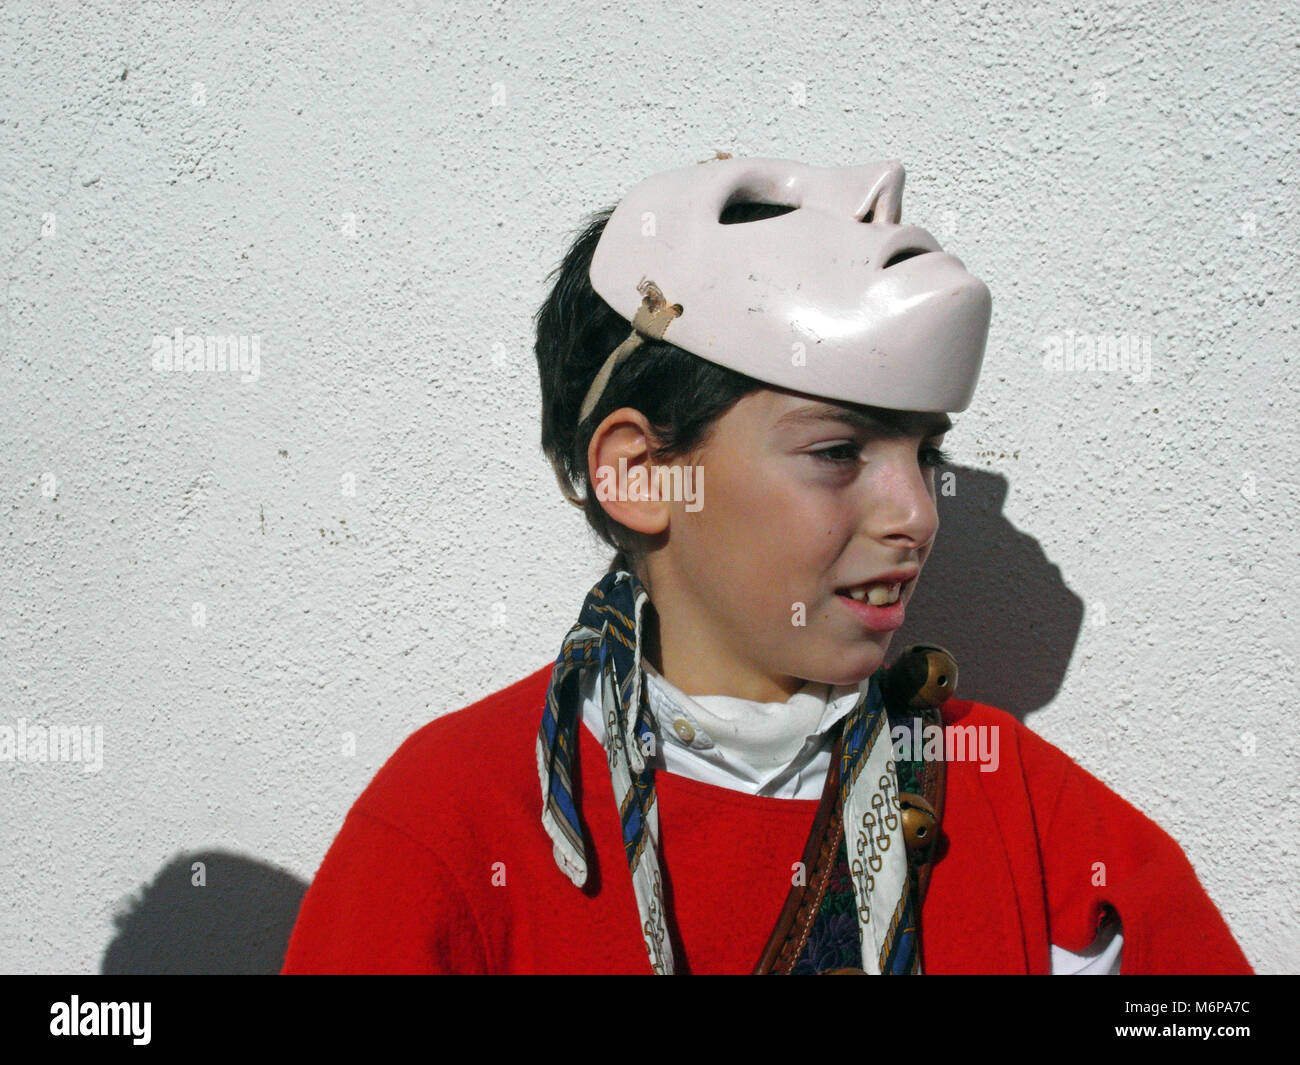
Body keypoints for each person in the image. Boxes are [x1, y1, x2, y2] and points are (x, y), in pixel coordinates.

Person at [281, 156, 1252, 975]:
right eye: (837, 454)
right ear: (639, 471)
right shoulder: (456, 826)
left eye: (927, 456)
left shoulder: (1019, 807)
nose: (915, 512)